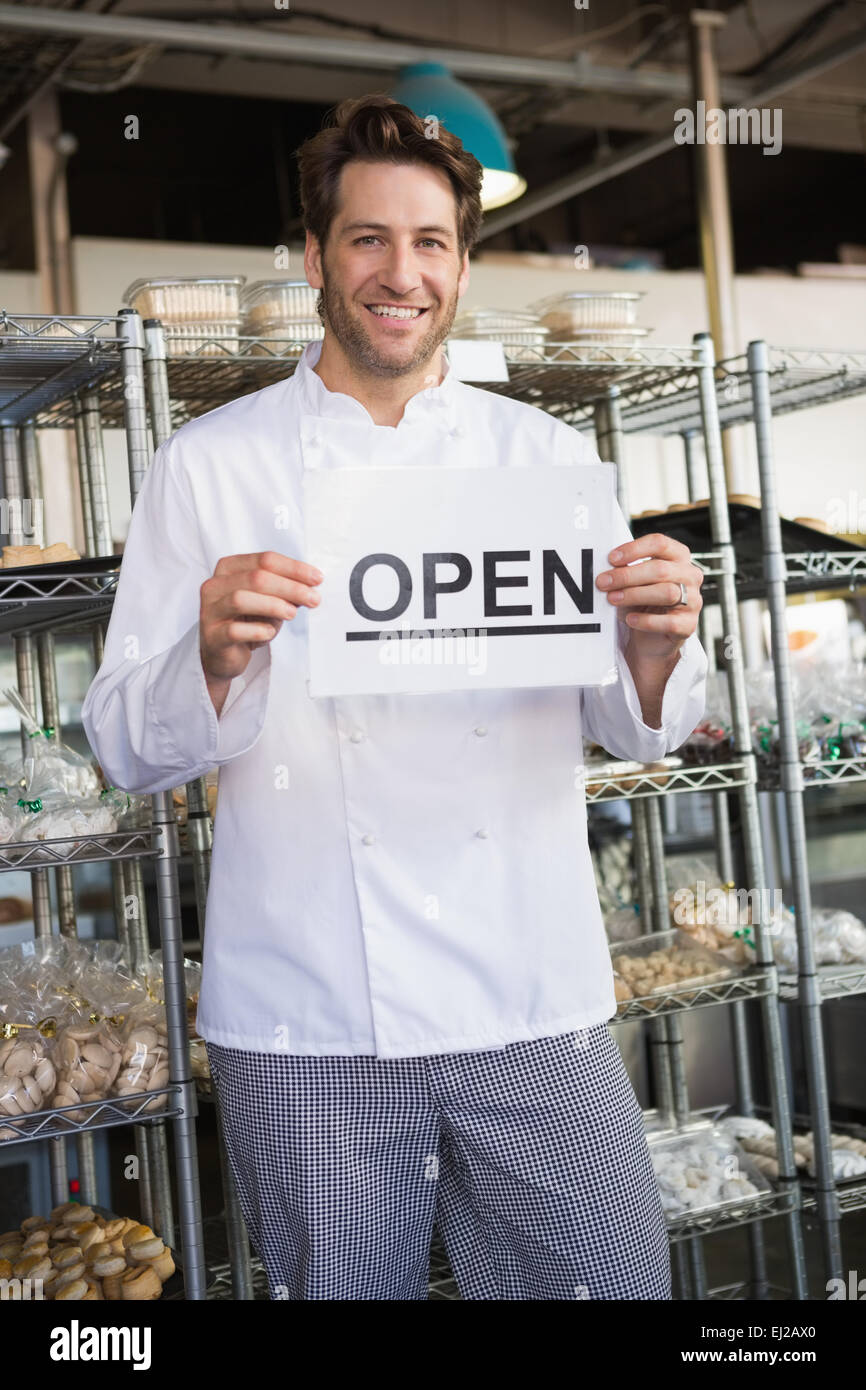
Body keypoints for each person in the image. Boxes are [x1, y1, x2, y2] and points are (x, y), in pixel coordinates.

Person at [82, 94, 708, 1301]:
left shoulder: (548, 464)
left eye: (429, 243)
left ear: (460, 269)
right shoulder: (209, 466)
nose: (399, 272)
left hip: (531, 991)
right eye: (366, 238)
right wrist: (204, 657)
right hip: (309, 1012)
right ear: (316, 259)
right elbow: (124, 747)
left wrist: (652, 643)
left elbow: (634, 725)